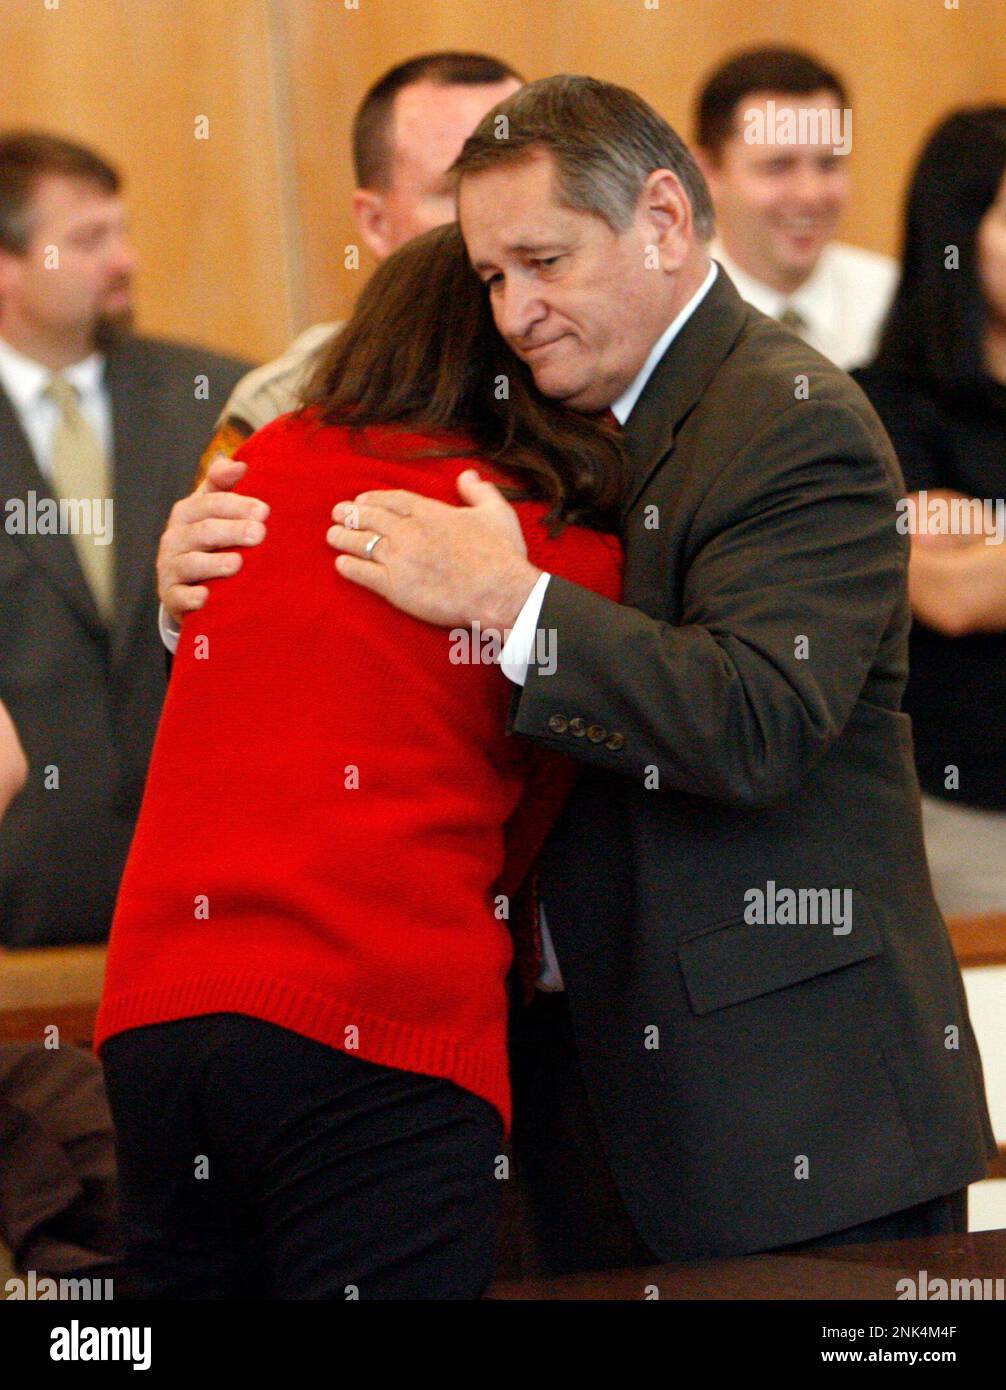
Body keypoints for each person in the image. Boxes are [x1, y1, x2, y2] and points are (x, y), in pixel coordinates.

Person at [323, 76, 994, 1270]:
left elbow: (754, 716)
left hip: (796, 1113)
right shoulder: (530, 416)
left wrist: (502, 596)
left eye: (543, 261)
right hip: (574, 1103)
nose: (515, 312)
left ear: (666, 220)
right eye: (488, 277)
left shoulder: (793, 417)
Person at [94, 223, 623, 1300]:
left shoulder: (256, 471)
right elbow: (541, 813)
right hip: (375, 1021)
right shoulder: (541, 546)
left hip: (157, 1014)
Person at [0, 132, 251, 947]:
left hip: (212, 885)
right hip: (23, 897)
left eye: (122, 231)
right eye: (87, 240)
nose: (124, 260)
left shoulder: (215, 401)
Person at [188, 51, 524, 481]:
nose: (507, 216)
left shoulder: (589, 363)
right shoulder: (290, 401)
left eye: (520, 181)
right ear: (375, 223)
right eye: (458, 190)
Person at [854, 108, 1006, 915]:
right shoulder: (878, 406)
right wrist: (972, 562)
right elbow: (949, 594)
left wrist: (990, 533)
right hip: (963, 820)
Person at [693, 46, 897, 370]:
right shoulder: (671, 318)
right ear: (707, 174)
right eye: (778, 166)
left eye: (828, 164)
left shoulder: (894, 306)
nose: (810, 194)